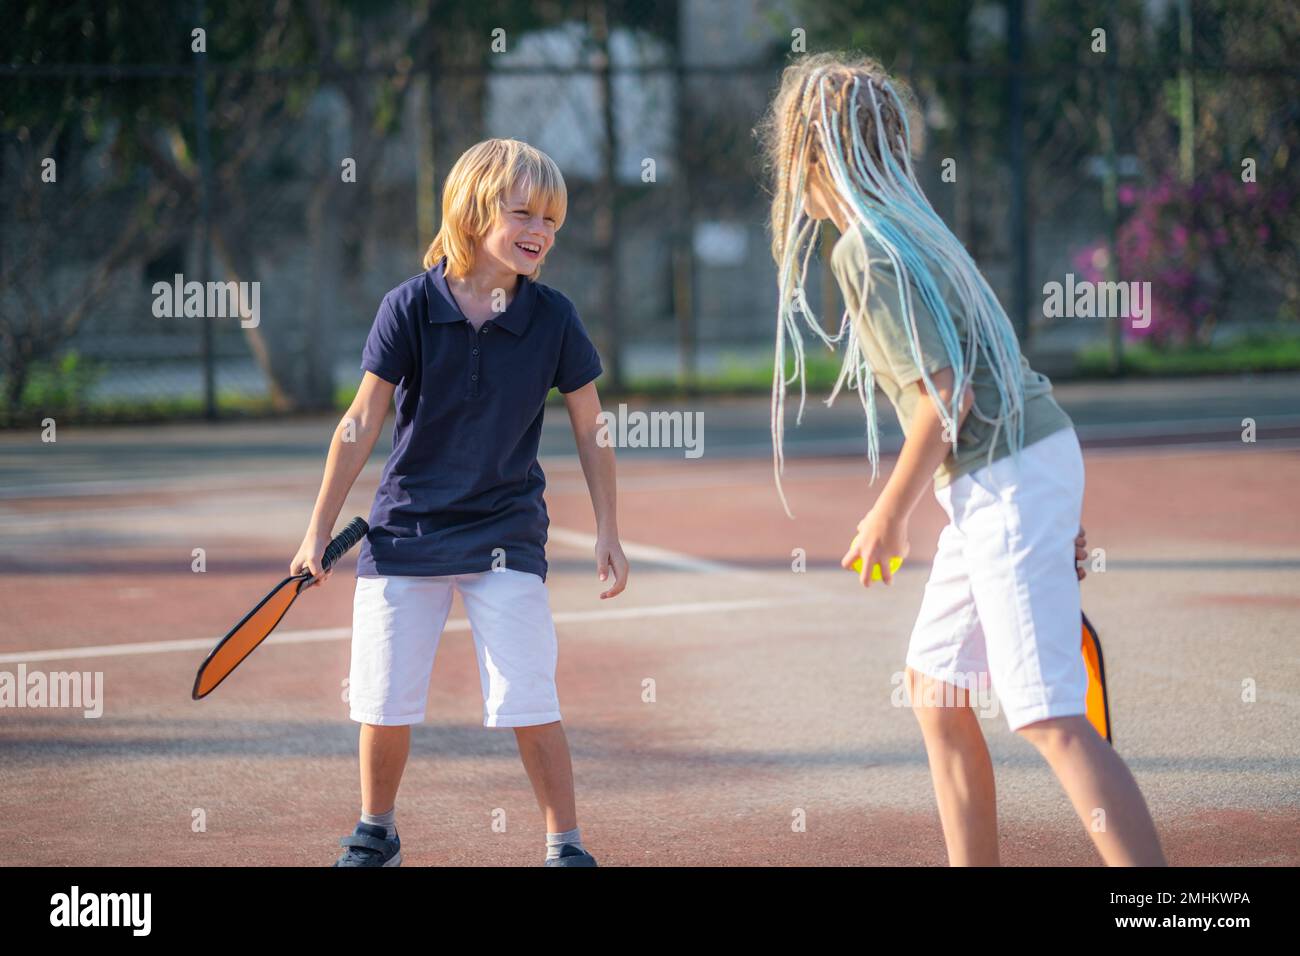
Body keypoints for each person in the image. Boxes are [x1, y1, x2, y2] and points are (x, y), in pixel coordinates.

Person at [758, 52, 1165, 865]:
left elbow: (948, 401)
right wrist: (1048, 508)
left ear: (807, 157)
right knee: (936, 689)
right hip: (1014, 473)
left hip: (1004, 478)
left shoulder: (867, 250)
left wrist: (888, 517)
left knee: (1049, 715)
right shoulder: (917, 231)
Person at [291, 138, 628, 867]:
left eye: (552, 220)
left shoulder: (554, 316)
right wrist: (317, 530)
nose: (541, 231)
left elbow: (592, 428)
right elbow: (360, 422)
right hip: (405, 531)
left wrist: (609, 529)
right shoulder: (409, 306)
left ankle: (565, 846)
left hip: (506, 532)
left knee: (529, 695)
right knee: (382, 699)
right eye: (524, 214)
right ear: (475, 211)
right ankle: (376, 831)